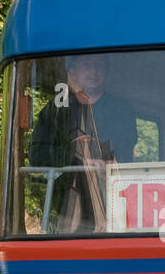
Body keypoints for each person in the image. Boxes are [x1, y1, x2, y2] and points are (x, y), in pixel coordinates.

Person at [27, 54, 139, 232]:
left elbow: (126, 148)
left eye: (100, 65)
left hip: (113, 198)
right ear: (72, 72)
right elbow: (38, 155)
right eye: (86, 64)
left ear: (107, 72)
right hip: (67, 203)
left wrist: (110, 164)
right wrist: (74, 163)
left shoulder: (121, 109)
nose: (94, 71)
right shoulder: (56, 110)